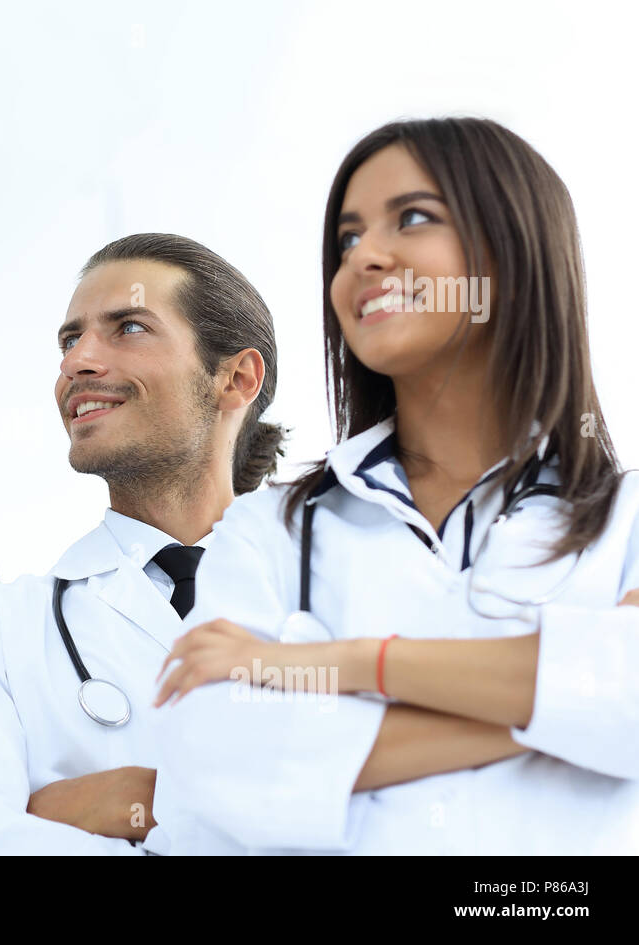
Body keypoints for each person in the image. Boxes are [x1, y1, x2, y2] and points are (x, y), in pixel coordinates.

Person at [150, 117, 639, 855]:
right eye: (347, 240)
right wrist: (567, 703)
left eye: (412, 218)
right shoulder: (269, 530)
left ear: (514, 252)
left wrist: (339, 664)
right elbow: (208, 768)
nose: (364, 259)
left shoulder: (626, 516)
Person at [0, 233, 283, 854]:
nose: (77, 362)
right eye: (70, 340)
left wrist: (121, 802)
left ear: (235, 377)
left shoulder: (341, 594)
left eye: (128, 328)